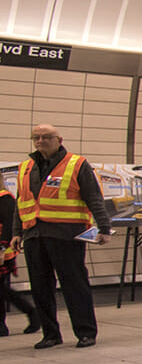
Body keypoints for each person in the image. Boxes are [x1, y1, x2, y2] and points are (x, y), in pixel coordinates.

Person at [18, 124, 112, 349]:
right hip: (34, 234)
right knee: (40, 288)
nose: (41, 141)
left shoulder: (76, 164)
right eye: (36, 137)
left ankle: (85, 332)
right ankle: (50, 334)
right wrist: (16, 233)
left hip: (67, 235)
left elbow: (94, 197)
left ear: (59, 139)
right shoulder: (26, 167)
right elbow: (20, 203)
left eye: (46, 137)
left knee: (74, 285)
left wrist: (105, 228)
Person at [0, 183, 43, 336]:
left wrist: (2, 248)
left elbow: (8, 226)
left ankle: (31, 313)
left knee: (2, 289)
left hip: (2, 251)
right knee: (2, 290)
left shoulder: (4, 198)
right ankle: (30, 314)